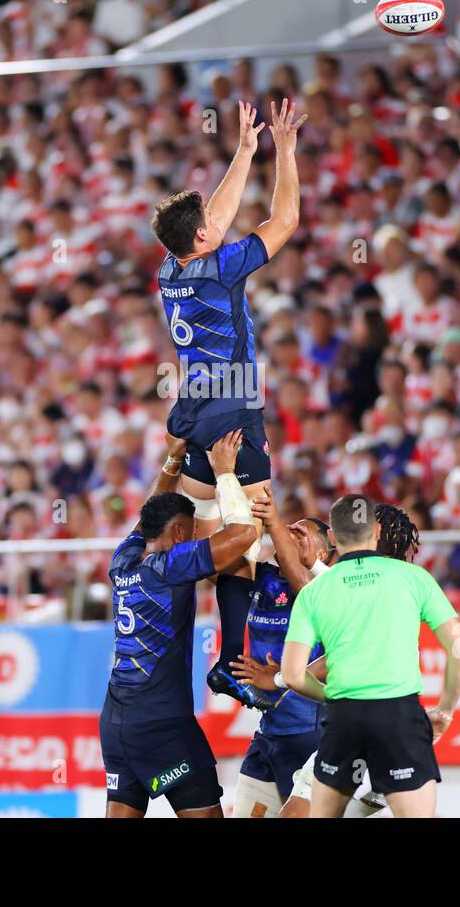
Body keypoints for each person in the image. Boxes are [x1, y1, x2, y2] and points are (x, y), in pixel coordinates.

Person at [150, 99, 306, 705]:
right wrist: (284, 152)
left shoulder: (170, 271)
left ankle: (212, 654)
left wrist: (244, 151)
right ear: (200, 239)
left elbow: (210, 220)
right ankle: (234, 661)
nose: (217, 226)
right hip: (234, 409)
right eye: (208, 227)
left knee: (214, 541)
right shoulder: (219, 270)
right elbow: (284, 220)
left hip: (193, 407)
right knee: (253, 535)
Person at [99, 431, 258, 818]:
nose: (195, 537)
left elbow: (147, 515)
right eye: (191, 532)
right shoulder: (171, 566)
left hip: (117, 723)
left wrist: (173, 461)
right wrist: (224, 474)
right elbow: (244, 535)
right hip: (163, 724)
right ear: (177, 535)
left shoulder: (124, 559)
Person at [280, 494, 460, 818]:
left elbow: (293, 676)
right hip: (400, 718)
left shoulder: (315, 592)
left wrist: (331, 696)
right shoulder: (414, 578)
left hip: (344, 718)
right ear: (377, 531)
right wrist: (446, 710)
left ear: (335, 538)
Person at [223, 486, 335, 817]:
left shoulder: (325, 591)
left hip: (308, 736)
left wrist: (274, 521)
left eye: (303, 534)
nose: (291, 536)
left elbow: (301, 578)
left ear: (324, 556)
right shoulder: (262, 579)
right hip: (268, 734)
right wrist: (232, 495)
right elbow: (219, 563)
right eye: (291, 530)